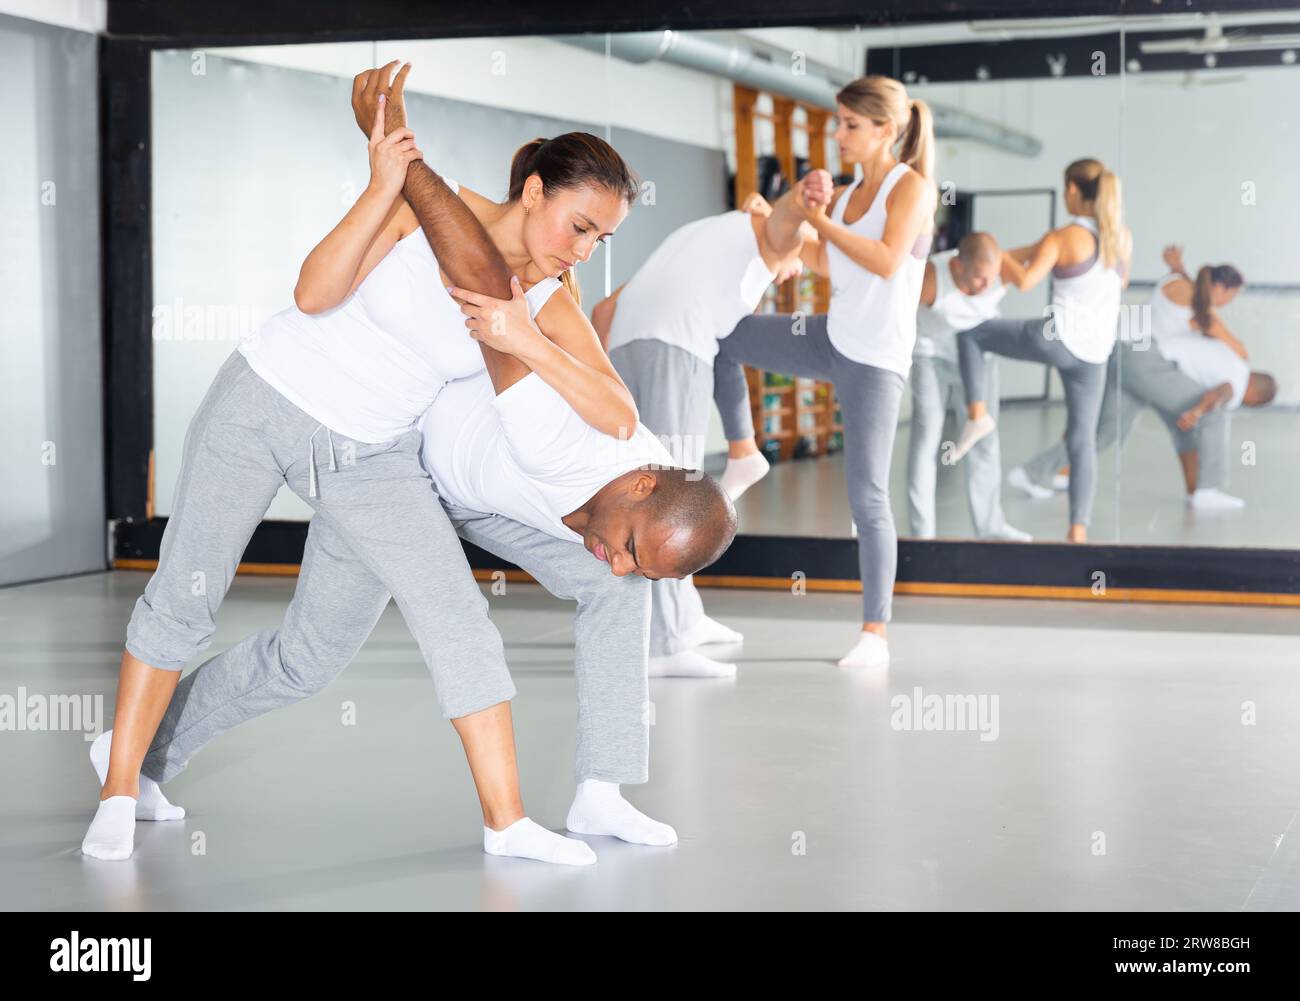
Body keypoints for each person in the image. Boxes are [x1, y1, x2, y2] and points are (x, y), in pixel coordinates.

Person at [81, 62, 652, 865]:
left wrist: (523, 335)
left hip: (370, 453)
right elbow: (314, 292)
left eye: (602, 239)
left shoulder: (548, 302)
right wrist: (384, 183)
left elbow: (616, 410)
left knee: (374, 640)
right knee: (185, 598)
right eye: (580, 225)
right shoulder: (429, 205)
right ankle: (117, 788)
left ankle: (507, 822)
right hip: (265, 396)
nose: (584, 251)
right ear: (533, 191)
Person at [711, 74, 937, 670]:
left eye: (849, 124)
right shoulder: (844, 190)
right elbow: (824, 259)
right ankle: (743, 453)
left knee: (867, 496)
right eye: (838, 122)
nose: (838, 134)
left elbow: (886, 262)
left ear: (886, 129)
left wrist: (818, 219)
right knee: (724, 338)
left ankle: (875, 635)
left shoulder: (909, 187)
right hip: (829, 337)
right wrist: (775, 222)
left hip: (876, 361)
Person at [589, 193, 809, 677]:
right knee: (676, 498)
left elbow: (603, 310)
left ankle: (684, 620)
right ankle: (664, 646)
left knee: (652, 490)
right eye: (799, 258)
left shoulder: (707, 231)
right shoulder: (759, 243)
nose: (795, 270)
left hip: (629, 345)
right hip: (675, 346)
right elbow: (792, 230)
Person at [949, 158, 1133, 543]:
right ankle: (1077, 530)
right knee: (1082, 441)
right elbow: (1033, 254)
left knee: (970, 332)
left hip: (1055, 338)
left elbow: (1027, 279)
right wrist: (994, 259)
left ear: (1070, 190)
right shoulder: (1121, 238)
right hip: (1095, 353)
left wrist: (994, 257)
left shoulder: (1064, 236)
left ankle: (977, 414)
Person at [1016, 246, 1274, 510]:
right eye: (1230, 297)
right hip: (1143, 358)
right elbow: (1234, 347)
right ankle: (1207, 490)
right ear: (1221, 288)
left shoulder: (1184, 286)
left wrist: (1178, 266)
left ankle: (1032, 473)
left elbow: (1194, 296)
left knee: (1107, 433)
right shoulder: (1198, 307)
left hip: (1127, 352)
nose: (1227, 304)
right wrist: (1235, 361)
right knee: (1211, 413)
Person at [906, 231, 1029, 541]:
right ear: (958, 266)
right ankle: (923, 537)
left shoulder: (998, 273)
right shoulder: (931, 279)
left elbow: (1041, 252)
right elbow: (894, 308)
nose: (986, 286)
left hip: (977, 363)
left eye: (991, 277)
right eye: (978, 278)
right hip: (930, 356)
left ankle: (990, 528)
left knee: (985, 439)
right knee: (926, 441)